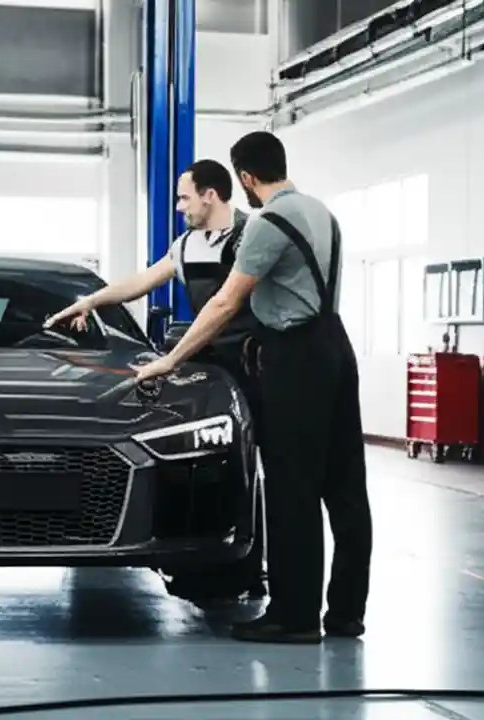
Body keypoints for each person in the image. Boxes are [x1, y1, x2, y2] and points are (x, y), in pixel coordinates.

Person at [134, 130, 372, 643]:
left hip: (295, 356)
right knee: (346, 486)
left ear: (245, 177)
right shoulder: (322, 213)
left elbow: (225, 302)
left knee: (291, 487)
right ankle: (346, 613)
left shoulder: (267, 222)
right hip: (336, 347)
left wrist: (170, 359)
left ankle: (295, 616)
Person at [46, 158, 268, 601]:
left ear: (210, 195)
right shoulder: (186, 245)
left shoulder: (252, 236)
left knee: (258, 470)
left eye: (185, 198)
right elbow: (144, 280)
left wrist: (172, 358)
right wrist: (90, 302)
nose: (179, 207)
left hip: (254, 364)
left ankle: (251, 564)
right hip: (208, 365)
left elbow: (225, 304)